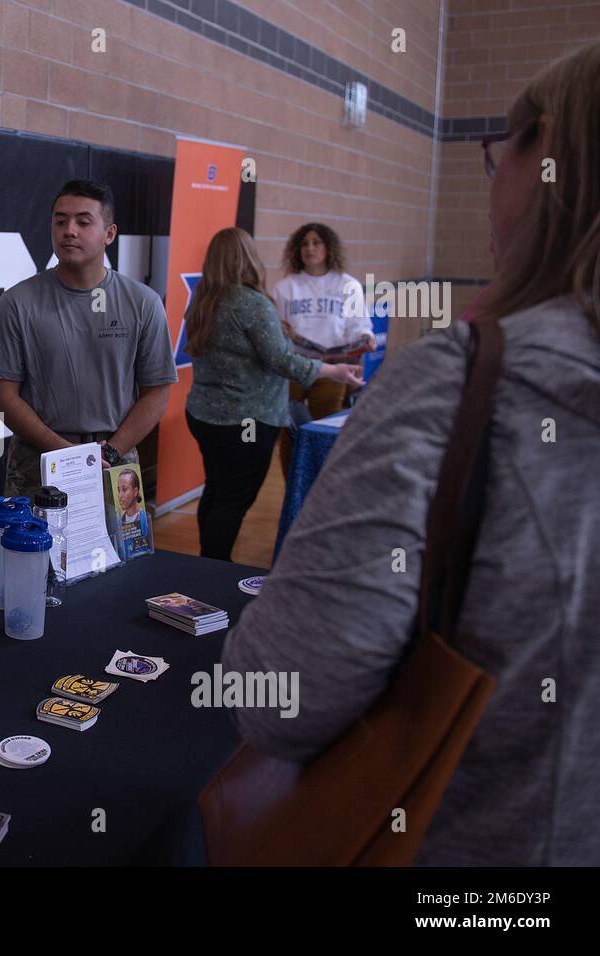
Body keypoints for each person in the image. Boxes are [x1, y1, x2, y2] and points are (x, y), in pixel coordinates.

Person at [223, 41, 600, 865]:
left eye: (501, 153)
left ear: (549, 163)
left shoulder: (471, 380)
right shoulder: (286, 300)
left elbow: (284, 694)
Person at [0, 180, 176, 502]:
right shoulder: (17, 302)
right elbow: (3, 397)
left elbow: (157, 392)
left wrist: (112, 451)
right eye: (60, 221)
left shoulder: (143, 303)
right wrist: (69, 456)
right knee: (36, 552)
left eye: (83, 222)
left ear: (109, 234)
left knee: (119, 553)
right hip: (39, 460)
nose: (69, 230)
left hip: (116, 459)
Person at [183, 227, 361, 562]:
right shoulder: (250, 303)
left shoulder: (203, 299)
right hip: (244, 420)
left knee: (217, 490)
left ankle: (207, 561)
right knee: (233, 500)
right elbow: (281, 361)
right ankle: (213, 566)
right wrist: (334, 371)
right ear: (248, 258)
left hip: (205, 416)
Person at [272, 222, 375, 420]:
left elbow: (358, 326)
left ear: (329, 248)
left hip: (333, 369)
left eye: (316, 243)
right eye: (304, 244)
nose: (309, 248)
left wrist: (365, 338)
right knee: (286, 429)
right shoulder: (285, 287)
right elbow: (279, 331)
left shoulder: (348, 285)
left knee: (325, 424)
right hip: (295, 368)